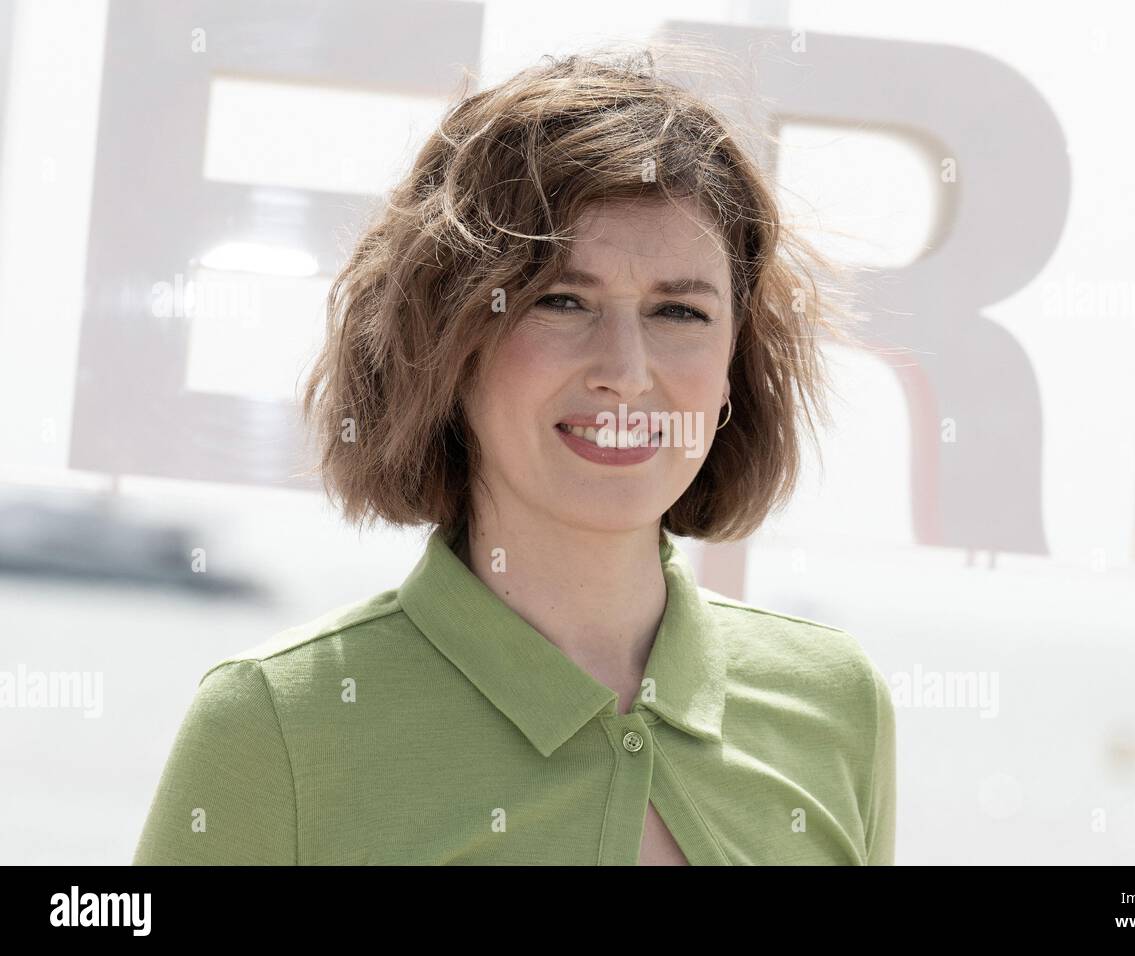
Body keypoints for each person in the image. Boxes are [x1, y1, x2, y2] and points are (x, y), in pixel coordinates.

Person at [132, 44, 895, 866]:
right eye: (561, 301)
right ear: (447, 346)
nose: (626, 374)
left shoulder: (836, 702)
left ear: (733, 367)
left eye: (679, 313)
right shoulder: (274, 725)